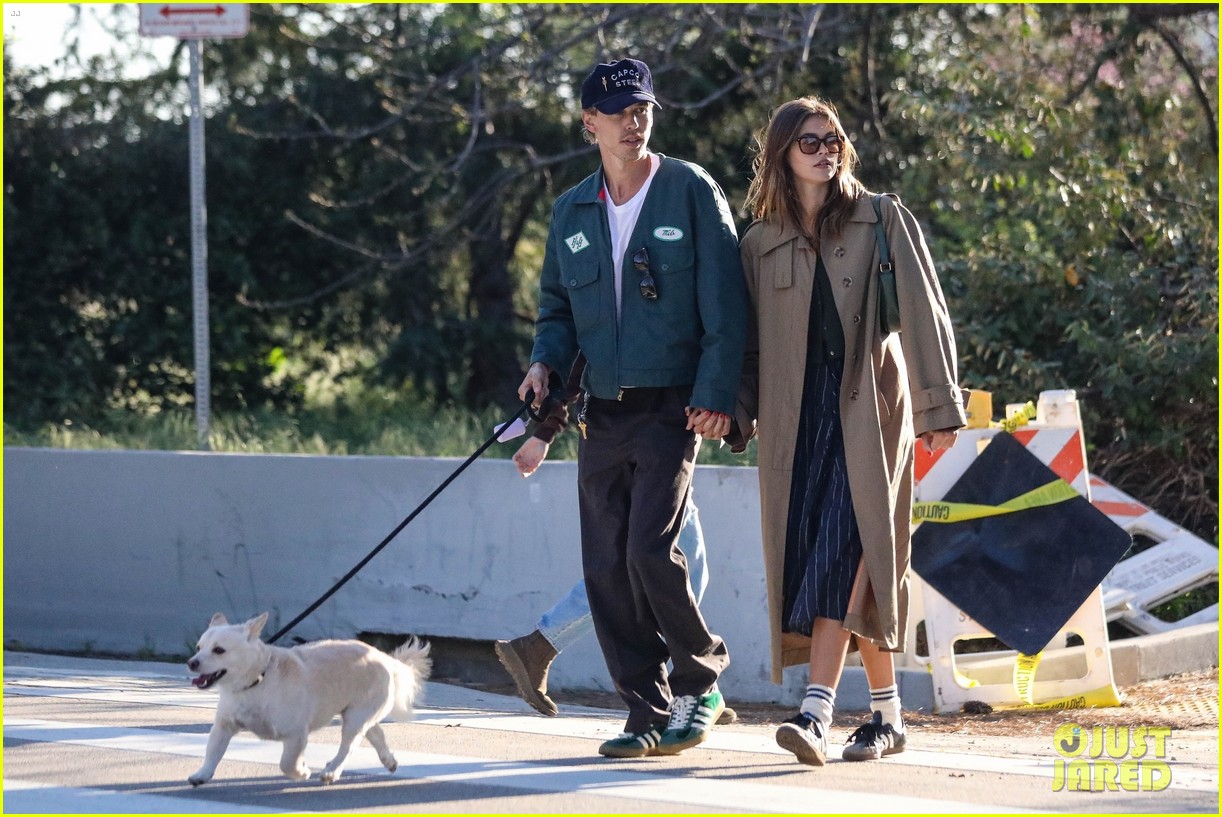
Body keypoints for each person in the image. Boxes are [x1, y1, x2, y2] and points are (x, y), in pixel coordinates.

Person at [517, 57, 747, 759]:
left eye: (641, 107)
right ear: (589, 122)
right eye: (616, 110)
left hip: (673, 406)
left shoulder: (689, 190)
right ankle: (643, 710)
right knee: (607, 566)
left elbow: (728, 308)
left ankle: (700, 678)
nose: (632, 120)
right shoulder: (572, 210)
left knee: (651, 548)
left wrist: (716, 397)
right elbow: (557, 307)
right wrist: (543, 359)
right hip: (602, 411)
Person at [729, 96, 965, 766]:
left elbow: (925, 311)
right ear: (782, 154)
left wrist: (937, 408)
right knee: (841, 558)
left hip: (871, 413)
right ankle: (888, 717)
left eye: (833, 139)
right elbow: (745, 350)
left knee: (841, 549)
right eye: (810, 141)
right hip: (795, 426)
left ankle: (816, 710)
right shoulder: (758, 244)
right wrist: (734, 411)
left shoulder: (880, 218)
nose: (826, 150)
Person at [496, 357, 731, 725]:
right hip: (639, 437)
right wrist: (545, 432)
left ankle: (688, 684)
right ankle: (690, 689)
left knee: (679, 565)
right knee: (645, 567)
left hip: (664, 428)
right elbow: (579, 355)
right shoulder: (612, 307)